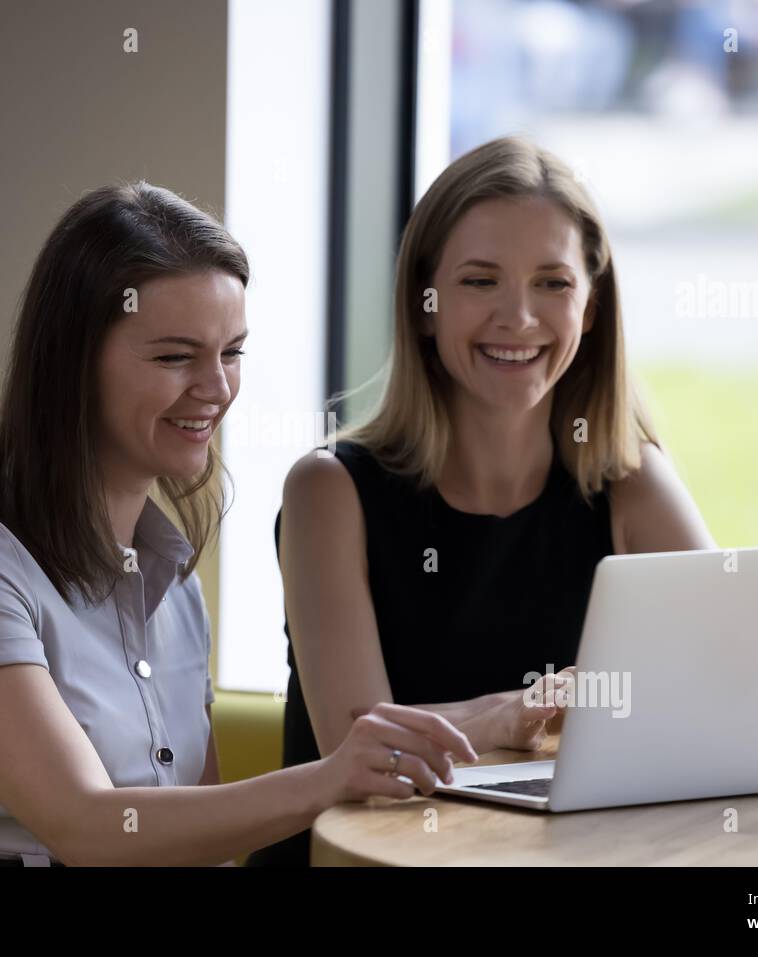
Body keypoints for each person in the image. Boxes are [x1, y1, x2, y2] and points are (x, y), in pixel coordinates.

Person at [0, 181, 496, 867]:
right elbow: (86, 825)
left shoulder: (172, 586)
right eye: (174, 356)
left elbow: (199, 840)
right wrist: (330, 776)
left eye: (232, 352)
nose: (216, 389)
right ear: (72, 366)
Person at [245, 135, 717, 866]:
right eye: (480, 280)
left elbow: (724, 690)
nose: (519, 317)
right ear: (425, 306)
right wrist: (508, 715)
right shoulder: (329, 491)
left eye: (553, 283)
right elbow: (363, 750)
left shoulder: (629, 480)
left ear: (591, 308)